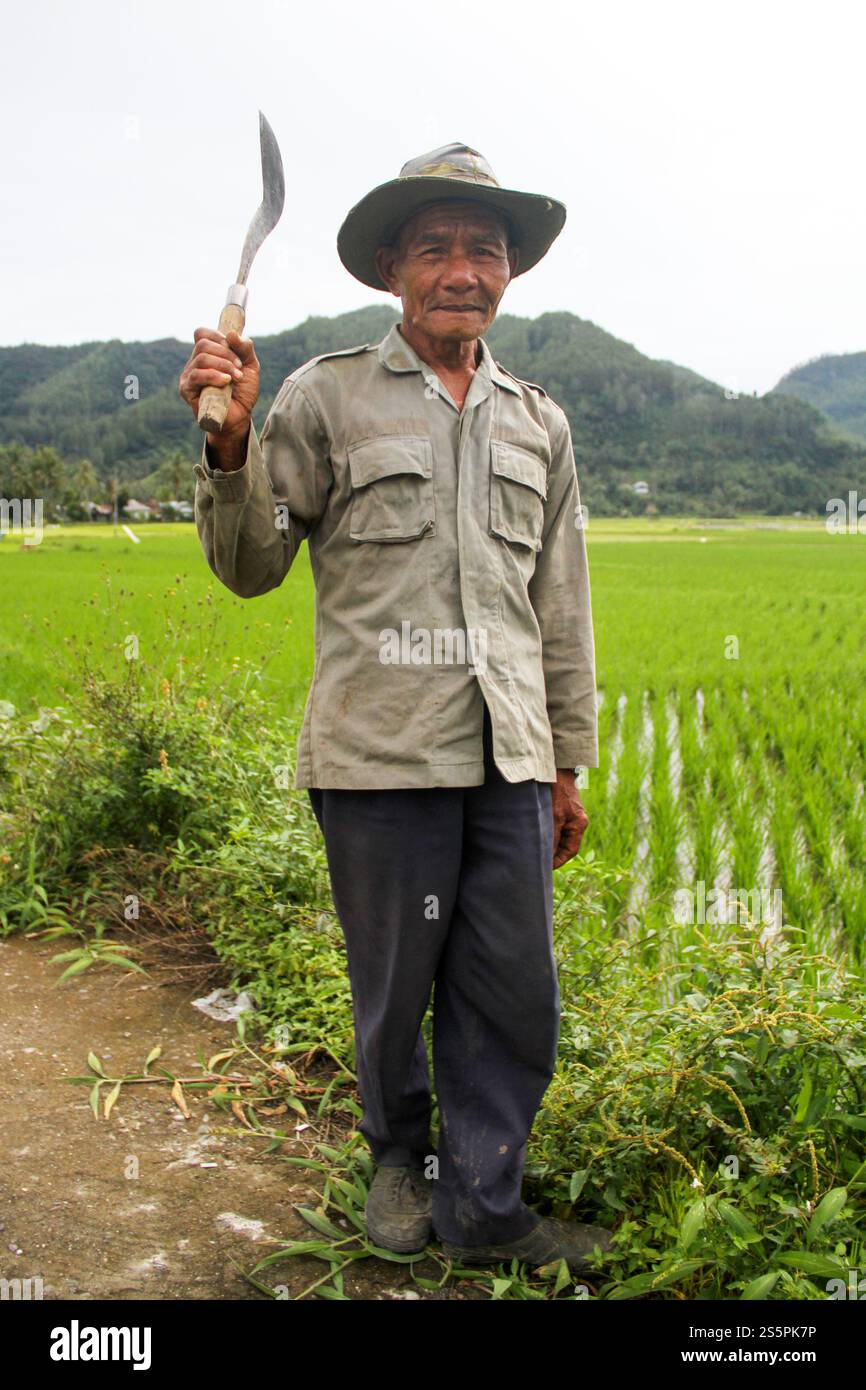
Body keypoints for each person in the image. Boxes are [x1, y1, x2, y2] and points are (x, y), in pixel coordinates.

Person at [179, 142, 612, 1274]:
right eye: (436, 247)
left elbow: (556, 606)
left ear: (509, 272)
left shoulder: (539, 421)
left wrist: (567, 761)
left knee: (514, 993)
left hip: (509, 758)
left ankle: (486, 1204)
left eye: (486, 248)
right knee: (393, 988)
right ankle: (398, 1159)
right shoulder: (324, 396)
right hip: (378, 758)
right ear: (390, 269)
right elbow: (251, 562)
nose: (463, 268)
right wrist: (228, 445)